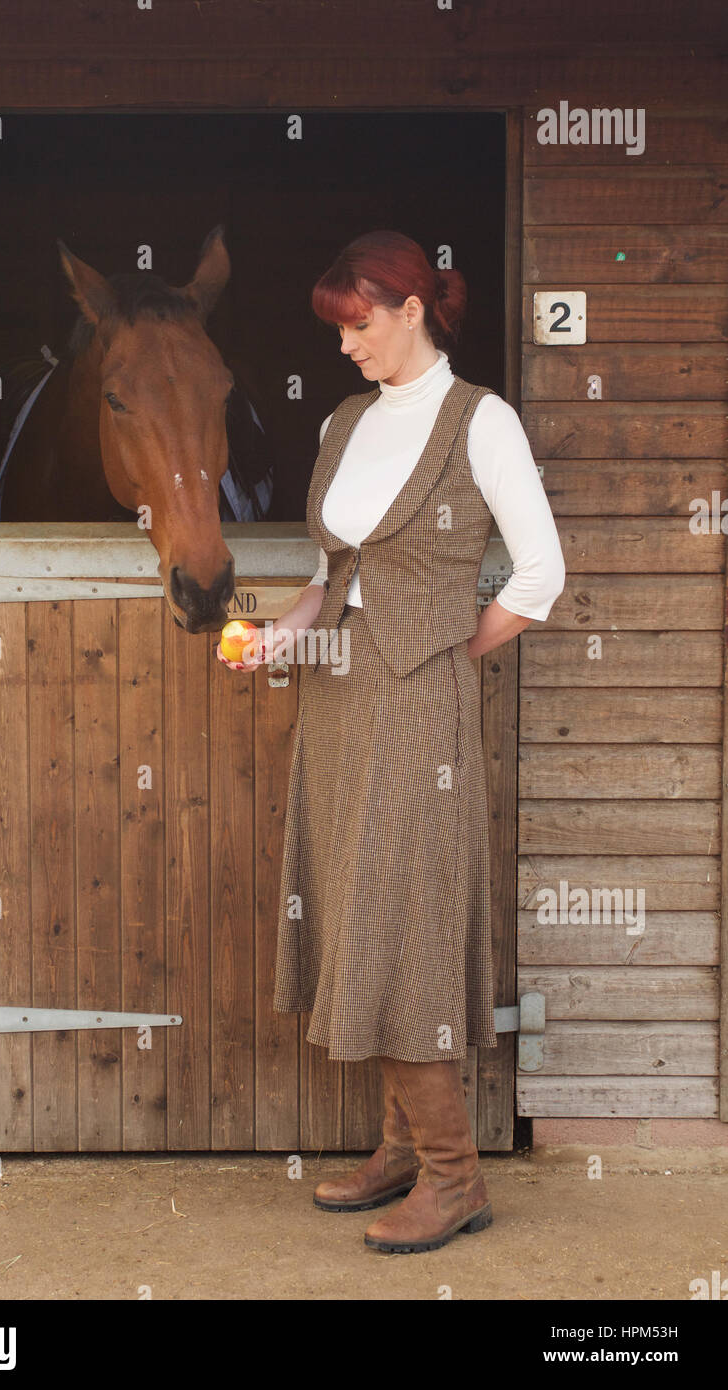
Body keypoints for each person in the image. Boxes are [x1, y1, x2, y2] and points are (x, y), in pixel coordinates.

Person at [216, 229, 565, 1254]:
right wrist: (279, 636)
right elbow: (334, 575)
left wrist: (450, 653)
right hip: (336, 698)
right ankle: (401, 1148)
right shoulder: (343, 421)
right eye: (338, 329)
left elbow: (540, 574)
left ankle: (455, 1178)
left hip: (420, 704)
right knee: (360, 906)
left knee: (407, 916)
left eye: (358, 324)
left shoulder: (479, 421)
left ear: (412, 309)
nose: (345, 345)